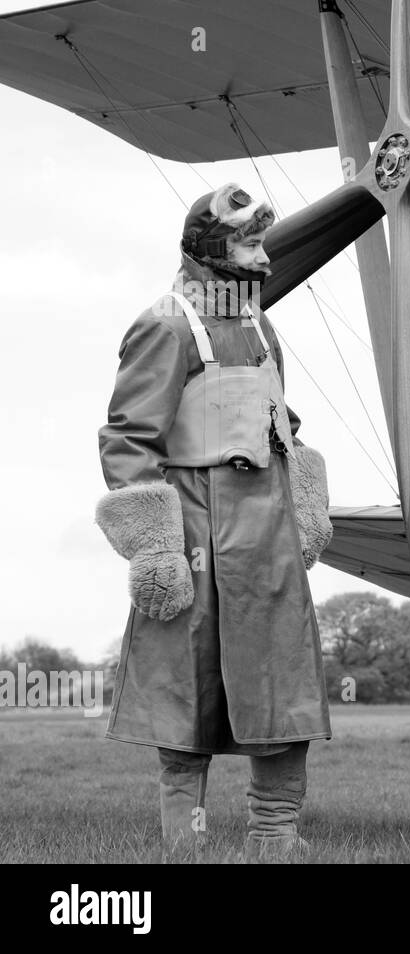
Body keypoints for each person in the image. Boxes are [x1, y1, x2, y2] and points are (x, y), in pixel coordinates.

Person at [94, 183, 333, 857]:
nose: (262, 250)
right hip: (195, 529)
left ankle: (277, 835)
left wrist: (306, 503)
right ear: (210, 246)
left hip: (271, 536)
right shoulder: (163, 324)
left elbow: (282, 419)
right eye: (249, 239)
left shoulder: (262, 323)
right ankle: (184, 839)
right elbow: (127, 439)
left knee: (284, 683)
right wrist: (155, 547)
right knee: (183, 692)